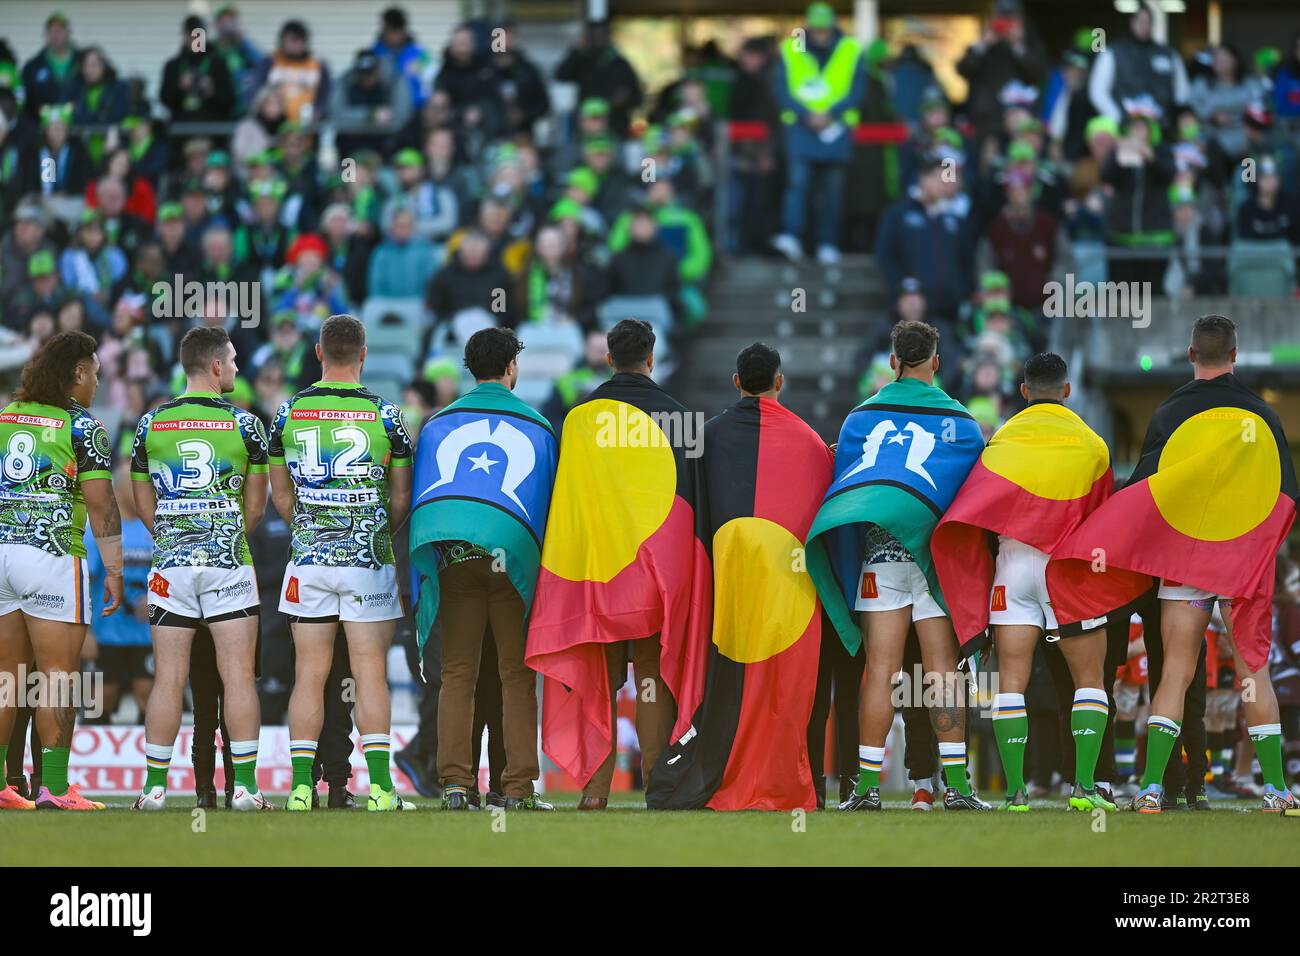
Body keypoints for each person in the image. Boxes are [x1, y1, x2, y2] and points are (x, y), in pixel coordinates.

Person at [1047, 315, 1298, 813]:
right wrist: (1262, 550)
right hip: (1242, 561)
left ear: (1190, 355)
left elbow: (1145, 492)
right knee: (1255, 672)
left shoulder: (1169, 411)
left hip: (1187, 561)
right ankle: (1276, 790)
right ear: (1236, 353)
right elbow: (1285, 493)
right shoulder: (1261, 415)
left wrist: (1111, 537)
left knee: (1176, 672)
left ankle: (1151, 788)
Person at [526, 319, 710, 810]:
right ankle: (656, 785)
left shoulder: (579, 418)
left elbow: (568, 499)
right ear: (651, 358)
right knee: (651, 678)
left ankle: (594, 792)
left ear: (607, 359)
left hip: (596, 572)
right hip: (656, 574)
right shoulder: (681, 416)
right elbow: (693, 504)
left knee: (598, 679)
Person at [806, 320, 988, 811]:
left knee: (881, 671)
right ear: (937, 361)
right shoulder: (962, 423)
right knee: (944, 674)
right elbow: (974, 492)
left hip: (880, 558)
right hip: (934, 560)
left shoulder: (860, 418)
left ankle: (866, 790)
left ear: (892, 361)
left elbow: (845, 479)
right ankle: (959, 789)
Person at [647, 343, 834, 810]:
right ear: (779, 381)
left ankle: (719, 773)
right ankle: (785, 781)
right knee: (785, 688)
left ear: (736, 382)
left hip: (724, 589)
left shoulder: (705, 438)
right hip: (789, 592)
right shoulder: (811, 443)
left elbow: (685, 515)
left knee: (727, 683)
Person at [932, 353, 1116, 811]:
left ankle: (1016, 794)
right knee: (1089, 679)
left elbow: (979, 509)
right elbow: (1104, 518)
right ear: (1067, 391)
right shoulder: (1094, 444)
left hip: (1012, 567)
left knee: (1010, 682)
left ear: (1023, 391)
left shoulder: (998, 442)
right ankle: (1085, 788)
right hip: (1068, 567)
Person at [409, 327, 560, 810]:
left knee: (457, 673)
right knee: (516, 675)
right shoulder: (538, 428)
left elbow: (425, 502)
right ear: (511, 367)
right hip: (511, 562)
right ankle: (517, 789)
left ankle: (455, 786)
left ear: (470, 368)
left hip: (455, 561)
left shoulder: (436, 425)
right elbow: (546, 506)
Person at [268, 314, 412, 812]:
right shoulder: (386, 414)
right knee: (370, 671)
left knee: (309, 673)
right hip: (367, 558)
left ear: (318, 353)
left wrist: (309, 528)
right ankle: (379, 790)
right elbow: (401, 498)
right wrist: (369, 529)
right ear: (365, 354)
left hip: (308, 558)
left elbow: (279, 494)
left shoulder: (288, 411)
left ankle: (301, 789)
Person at [131, 326, 271, 811]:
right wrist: (223, 531)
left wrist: (172, 534)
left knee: (168, 676)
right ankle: (248, 791)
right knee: (237, 675)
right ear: (215, 366)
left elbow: (142, 502)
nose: (235, 367)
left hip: (171, 562)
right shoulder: (247, 426)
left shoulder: (150, 424)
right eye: (231, 360)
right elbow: (256, 509)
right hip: (227, 559)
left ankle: (152, 789)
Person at [0, 331, 121, 811]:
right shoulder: (81, 426)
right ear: (77, 373)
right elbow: (100, 503)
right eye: (94, 370)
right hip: (50, 558)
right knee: (58, 677)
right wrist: (112, 567)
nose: (97, 379)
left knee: (7, 677)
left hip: (2, 554)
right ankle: (53, 787)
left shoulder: (5, 417)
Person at [769, 2, 866, 265]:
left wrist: (830, 114)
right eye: (816, 30)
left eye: (825, 30)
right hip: (801, 129)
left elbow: (858, 90)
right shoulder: (791, 49)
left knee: (832, 190)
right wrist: (806, 114)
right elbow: (780, 90)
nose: (821, 35)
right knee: (798, 185)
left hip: (837, 131)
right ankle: (792, 237)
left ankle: (828, 243)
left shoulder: (850, 49)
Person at [85, 461, 154, 724]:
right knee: (102, 698)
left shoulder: (155, 529)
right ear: (120, 489)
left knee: (148, 694)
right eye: (137, 485)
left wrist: (156, 598)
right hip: (106, 632)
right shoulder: (99, 531)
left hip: (145, 633)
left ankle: (148, 762)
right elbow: (82, 580)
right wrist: (85, 631)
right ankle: (93, 762)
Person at [1088, 1, 1187, 127]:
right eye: (1140, 21)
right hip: (1125, 126)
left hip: (1162, 127)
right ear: (1131, 22)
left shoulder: (1169, 54)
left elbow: (1182, 92)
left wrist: (1174, 117)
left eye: (1148, 22)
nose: (1144, 26)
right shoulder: (1113, 52)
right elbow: (1097, 91)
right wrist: (1116, 117)